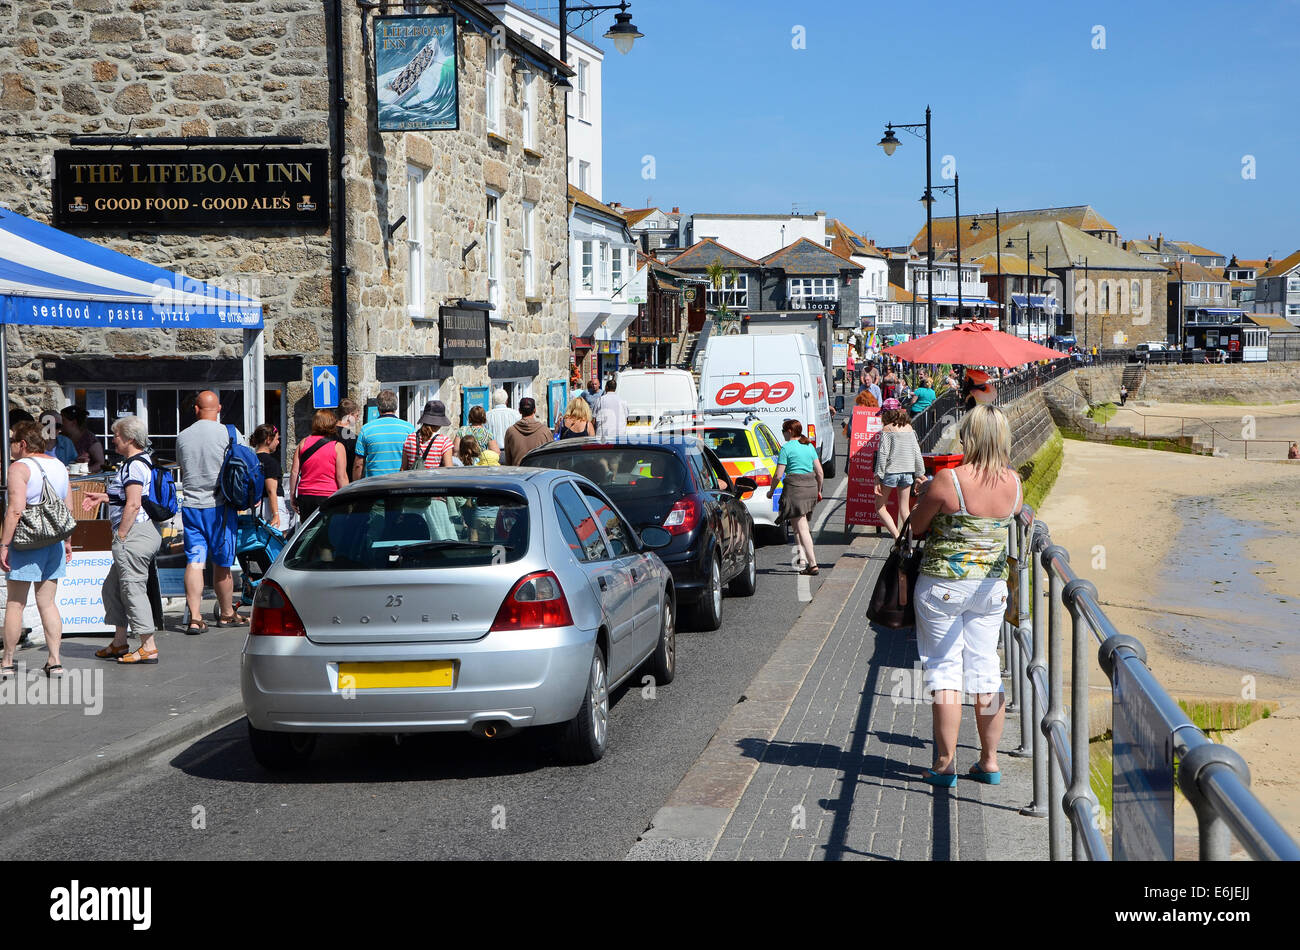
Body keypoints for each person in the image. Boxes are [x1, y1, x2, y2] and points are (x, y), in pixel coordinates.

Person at [908, 405, 1022, 787]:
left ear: (967, 438)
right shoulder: (1015, 483)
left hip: (943, 586)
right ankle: (989, 761)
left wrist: (922, 495)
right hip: (990, 589)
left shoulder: (949, 479)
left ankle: (945, 765)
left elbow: (917, 527)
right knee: (986, 668)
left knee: (945, 669)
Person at [80, 416, 163, 664]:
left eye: (116, 435)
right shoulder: (138, 462)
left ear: (129, 438)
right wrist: (104, 498)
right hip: (140, 532)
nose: (113, 439)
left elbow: (134, 503)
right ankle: (119, 642)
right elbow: (130, 498)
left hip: (134, 535)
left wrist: (122, 535)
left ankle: (148, 646)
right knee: (113, 588)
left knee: (133, 590)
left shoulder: (134, 465)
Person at [1, 421, 71, 677]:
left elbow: (15, 510)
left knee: (15, 603)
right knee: (48, 603)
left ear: (22, 444)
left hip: (27, 541)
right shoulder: (59, 465)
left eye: (12, 442)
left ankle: (7, 661)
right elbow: (67, 507)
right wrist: (68, 541)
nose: (10, 447)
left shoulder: (19, 467)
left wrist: (3, 545)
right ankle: (55, 660)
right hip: (54, 540)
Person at [175, 390, 247, 634]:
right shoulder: (230, 433)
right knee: (222, 564)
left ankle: (195, 618)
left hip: (192, 506)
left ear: (196, 409)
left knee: (195, 562)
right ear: (219, 409)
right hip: (220, 508)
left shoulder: (183, 436)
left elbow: (182, 465)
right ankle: (226, 613)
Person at [767, 419, 824, 576]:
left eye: (783, 431)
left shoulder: (786, 448)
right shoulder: (809, 446)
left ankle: (813, 564)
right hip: (811, 487)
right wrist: (819, 490)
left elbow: (778, 475)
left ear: (790, 431)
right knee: (797, 524)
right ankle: (802, 559)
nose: (783, 434)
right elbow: (820, 472)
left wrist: (771, 491)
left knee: (802, 527)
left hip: (795, 489)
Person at [873, 399, 927, 539]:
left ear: (886, 414)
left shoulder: (887, 429)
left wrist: (877, 477)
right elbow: (916, 452)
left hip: (891, 471)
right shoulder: (909, 428)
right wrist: (920, 473)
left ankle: (897, 537)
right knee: (904, 509)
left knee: (880, 507)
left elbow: (883, 454)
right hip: (907, 472)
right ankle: (909, 544)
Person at [289, 409, 349, 520]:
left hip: (305, 495)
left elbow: (294, 472)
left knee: (308, 528)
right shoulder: (337, 447)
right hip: (328, 495)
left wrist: (292, 495)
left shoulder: (303, 443)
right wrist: (346, 499)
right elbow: (341, 477)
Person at [353, 389, 413, 480]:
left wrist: (356, 485)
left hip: (375, 483)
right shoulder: (409, 428)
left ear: (378, 407)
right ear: (396, 407)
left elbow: (359, 464)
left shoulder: (366, 429)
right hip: (401, 482)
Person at [250, 423, 290, 532]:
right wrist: (276, 514)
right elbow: (271, 490)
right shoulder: (270, 462)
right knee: (280, 538)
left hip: (257, 504)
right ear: (268, 440)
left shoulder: (252, 459)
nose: (278, 442)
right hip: (272, 505)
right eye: (276, 439)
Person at [401, 401, 454, 470]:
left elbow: (403, 469)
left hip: (413, 477)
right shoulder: (444, 442)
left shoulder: (410, 439)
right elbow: (449, 470)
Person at [503, 397, 553, 465]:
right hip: (539, 470)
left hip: (518, 470)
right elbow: (551, 458)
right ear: (535, 410)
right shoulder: (545, 431)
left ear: (519, 410)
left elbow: (508, 459)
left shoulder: (510, 432)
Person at [60, 405, 106, 473]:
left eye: (63, 420)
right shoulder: (59, 437)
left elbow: (100, 463)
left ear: (74, 422)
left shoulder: (89, 439)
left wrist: (83, 471)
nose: (60, 423)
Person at [336, 397, 361, 476]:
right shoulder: (352, 438)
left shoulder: (326, 432)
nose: (357, 419)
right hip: (346, 477)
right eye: (357, 416)